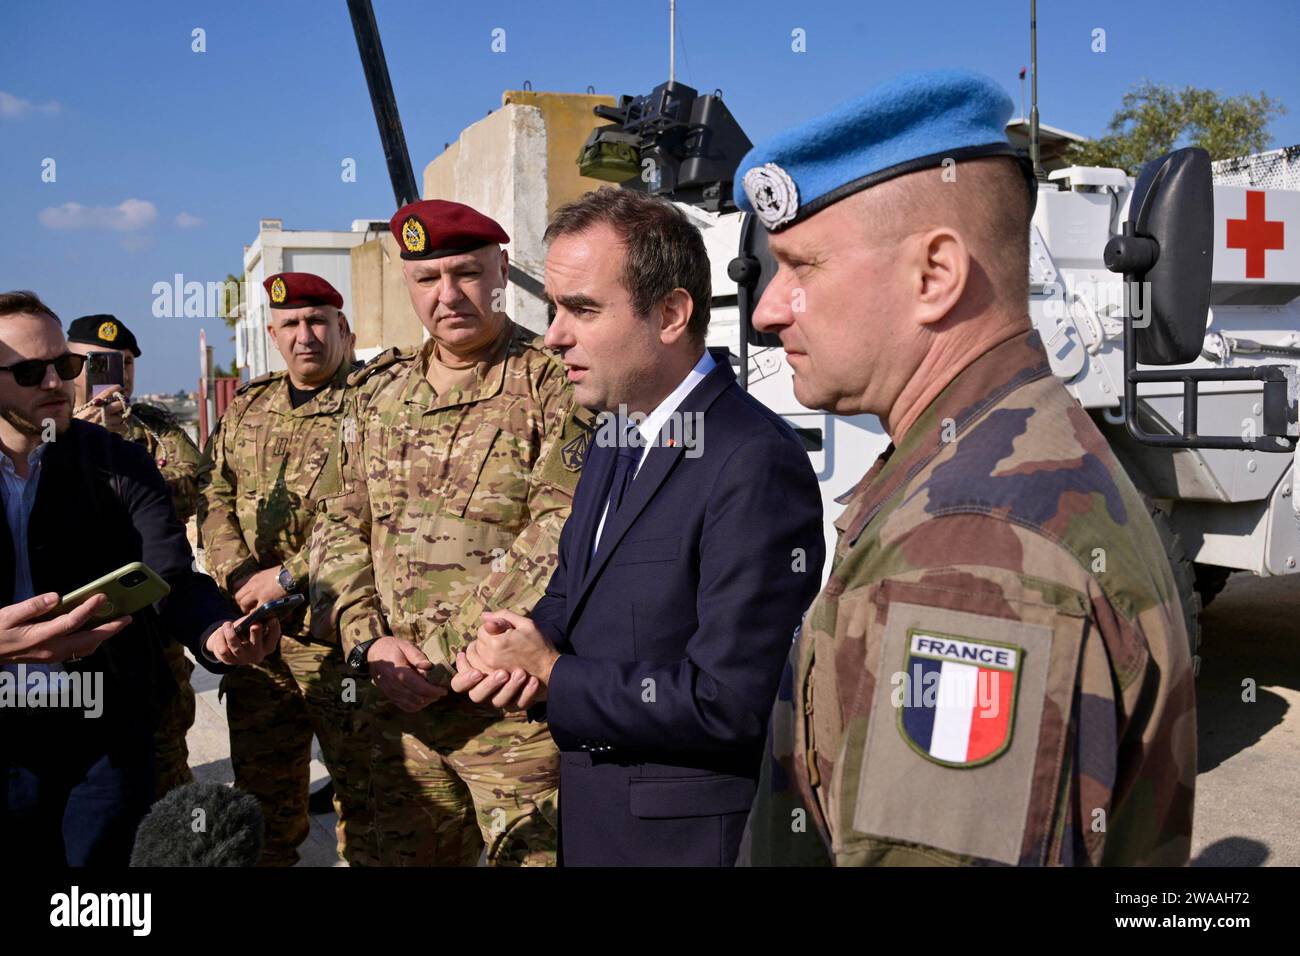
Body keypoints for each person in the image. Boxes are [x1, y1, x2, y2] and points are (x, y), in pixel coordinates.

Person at [731, 69, 1196, 866]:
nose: (770, 310)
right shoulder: (1000, 447)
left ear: (935, 275)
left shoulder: (969, 550)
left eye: (802, 267)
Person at [449, 187, 825, 866]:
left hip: (683, 843)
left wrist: (554, 675)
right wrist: (518, 645)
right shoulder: (617, 433)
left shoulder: (752, 461)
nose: (556, 335)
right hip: (598, 824)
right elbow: (575, 592)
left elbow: (729, 701)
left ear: (672, 313)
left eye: (583, 310)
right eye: (556, 310)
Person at [310, 199, 588, 866]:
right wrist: (367, 644)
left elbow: (564, 527)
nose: (449, 295)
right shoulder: (377, 392)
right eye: (427, 279)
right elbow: (338, 521)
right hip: (393, 716)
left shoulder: (556, 383)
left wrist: (435, 654)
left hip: (511, 721)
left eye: (466, 273)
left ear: (501, 270)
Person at [0, 290, 279, 867]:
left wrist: (216, 632)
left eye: (66, 366)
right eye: (30, 371)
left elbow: (170, 575)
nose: (56, 382)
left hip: (104, 736)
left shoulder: (119, 460)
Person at [196, 272, 372, 866]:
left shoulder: (374, 402)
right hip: (258, 641)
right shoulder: (250, 405)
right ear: (273, 334)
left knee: (372, 804)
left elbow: (371, 506)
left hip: (339, 636)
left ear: (343, 329)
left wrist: (288, 576)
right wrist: (239, 575)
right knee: (263, 810)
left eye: (318, 321)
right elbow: (213, 491)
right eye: (291, 325)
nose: (306, 336)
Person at [65, 312, 211, 800]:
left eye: (124, 364)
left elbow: (196, 496)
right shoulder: (38, 427)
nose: (114, 375)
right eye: (97, 362)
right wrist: (78, 443)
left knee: (164, 751)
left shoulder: (156, 430)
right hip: (64, 623)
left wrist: (123, 448)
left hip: (148, 617)